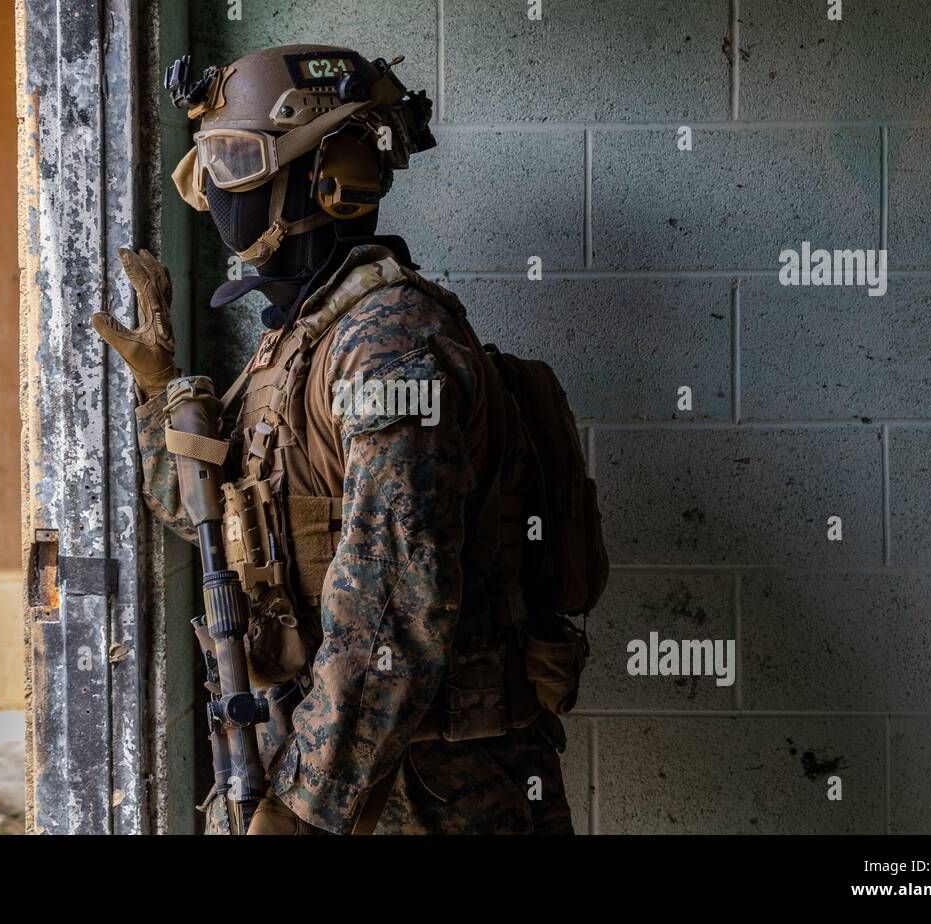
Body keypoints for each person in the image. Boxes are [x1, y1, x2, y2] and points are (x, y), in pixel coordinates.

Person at [93, 44, 577, 835]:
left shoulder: (390, 345)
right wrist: (161, 399)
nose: (216, 191)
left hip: (428, 798)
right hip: (320, 769)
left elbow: (396, 605)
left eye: (238, 160)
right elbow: (225, 530)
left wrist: (305, 809)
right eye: (210, 163)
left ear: (334, 174)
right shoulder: (301, 340)